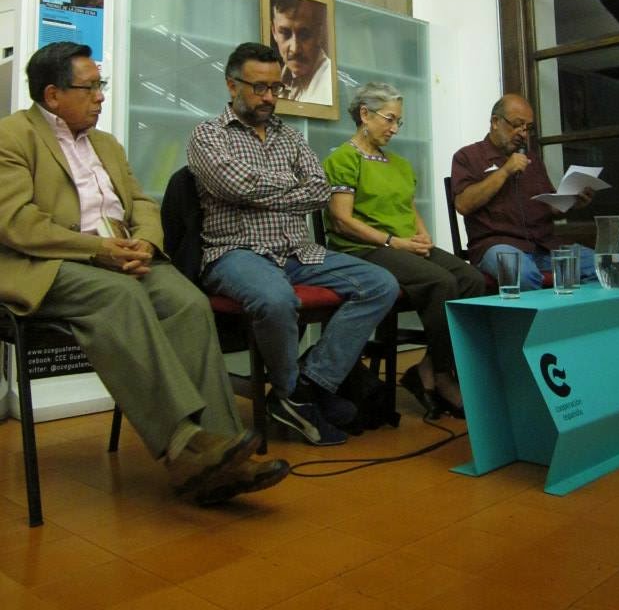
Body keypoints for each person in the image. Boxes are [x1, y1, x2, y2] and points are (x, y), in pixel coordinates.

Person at [0, 42, 288, 507]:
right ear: (53, 95)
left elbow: (140, 204)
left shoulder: (106, 144)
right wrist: (99, 251)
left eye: (101, 86)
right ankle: (185, 450)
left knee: (188, 302)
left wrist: (145, 244)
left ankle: (222, 453)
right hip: (48, 262)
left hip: (120, 255)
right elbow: (17, 223)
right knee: (121, 297)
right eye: (90, 87)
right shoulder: (12, 137)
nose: (100, 97)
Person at [187, 42, 398, 447]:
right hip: (234, 253)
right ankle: (290, 394)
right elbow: (233, 185)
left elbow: (319, 190)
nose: (269, 98)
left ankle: (309, 386)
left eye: (276, 88)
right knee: (276, 299)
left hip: (297, 252)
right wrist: (285, 187)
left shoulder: (290, 137)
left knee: (381, 284)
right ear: (231, 85)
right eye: (259, 88)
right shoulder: (207, 135)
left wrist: (257, 191)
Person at [323, 82, 489, 419]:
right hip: (362, 248)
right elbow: (341, 220)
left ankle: (429, 366)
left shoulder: (398, 164)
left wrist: (424, 235)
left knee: (472, 279)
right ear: (365, 114)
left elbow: (408, 210)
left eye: (399, 122)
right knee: (440, 282)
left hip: (401, 245)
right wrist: (392, 242)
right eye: (389, 119)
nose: (395, 128)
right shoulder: (343, 158)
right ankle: (443, 378)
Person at [451, 93, 595, 289]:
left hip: (544, 246)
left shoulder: (532, 160)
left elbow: (549, 208)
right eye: (517, 125)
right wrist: (505, 171)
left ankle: (575, 318)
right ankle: (543, 320)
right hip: (498, 246)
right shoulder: (468, 156)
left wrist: (572, 201)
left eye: (528, 128)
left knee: (600, 264)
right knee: (526, 275)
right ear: (495, 122)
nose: (523, 133)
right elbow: (463, 204)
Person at [270, 0, 333, 104]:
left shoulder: (331, 81)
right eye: (285, 33)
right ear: (274, 32)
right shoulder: (275, 84)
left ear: (319, 33)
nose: (295, 49)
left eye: (304, 35)